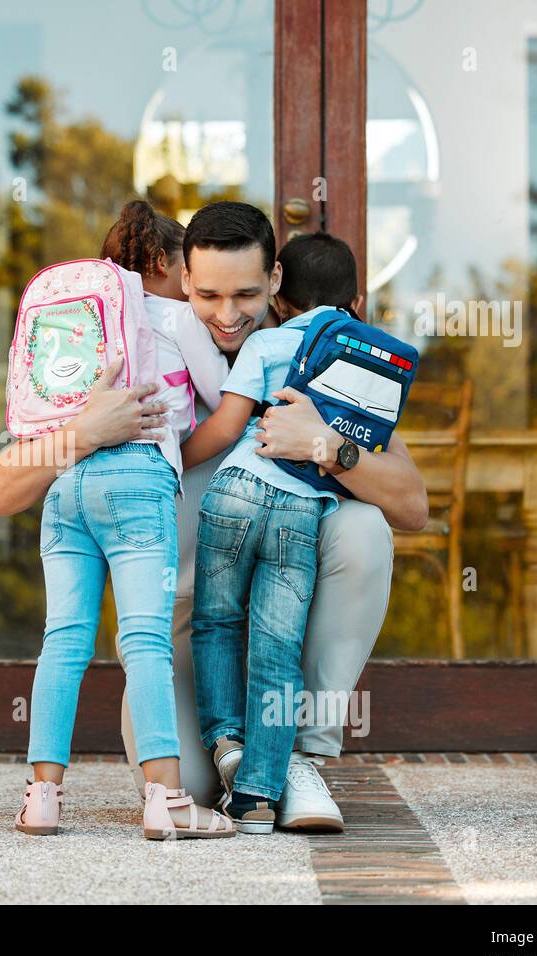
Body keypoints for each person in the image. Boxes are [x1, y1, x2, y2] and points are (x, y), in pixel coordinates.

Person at [0, 203, 427, 831]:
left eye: (246, 294)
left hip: (286, 625)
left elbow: (411, 506)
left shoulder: (315, 364)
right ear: (181, 281)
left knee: (363, 529)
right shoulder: (141, 359)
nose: (227, 315)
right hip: (182, 640)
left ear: (275, 282)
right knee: (185, 783)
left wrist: (325, 443)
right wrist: (82, 436)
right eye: (209, 295)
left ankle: (297, 755)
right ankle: (226, 756)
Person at [4, 207, 234, 840]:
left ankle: (42, 799)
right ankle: (167, 802)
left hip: (66, 481)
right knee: (145, 642)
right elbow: (218, 393)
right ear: (165, 264)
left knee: (64, 640)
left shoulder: (80, 321)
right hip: (137, 480)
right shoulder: (175, 315)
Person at [180, 220, 365, 832]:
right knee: (276, 651)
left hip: (237, 492)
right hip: (300, 512)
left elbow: (228, 428)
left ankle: (226, 742)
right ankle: (258, 799)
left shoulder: (268, 343)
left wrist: (166, 458)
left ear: (278, 296)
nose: (230, 313)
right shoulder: (362, 360)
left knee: (216, 623)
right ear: (355, 305)